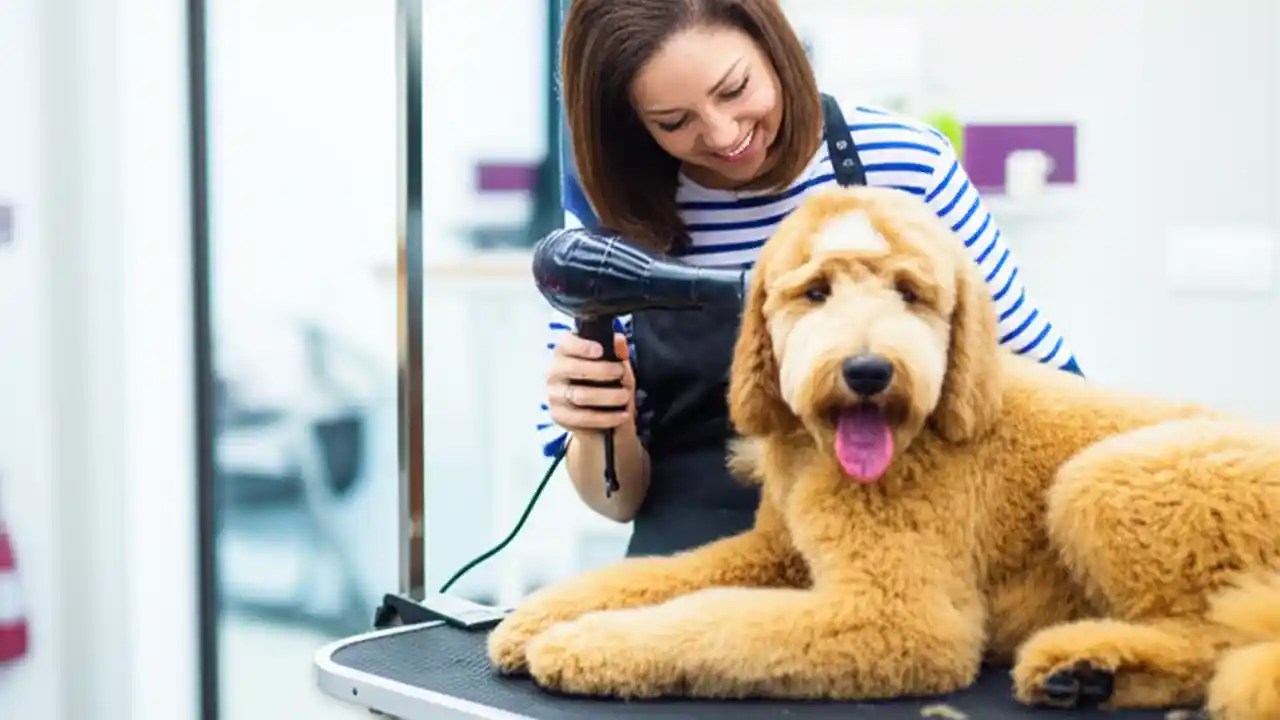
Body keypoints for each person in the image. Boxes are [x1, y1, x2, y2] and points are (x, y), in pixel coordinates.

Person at [535, 0, 1082, 558]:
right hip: (689, 564)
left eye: (734, 89)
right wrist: (596, 424)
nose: (724, 135)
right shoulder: (614, 220)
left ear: (773, 44)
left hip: (895, 555)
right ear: (631, 120)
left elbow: (1044, 378)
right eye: (674, 122)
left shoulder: (903, 163)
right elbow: (616, 501)